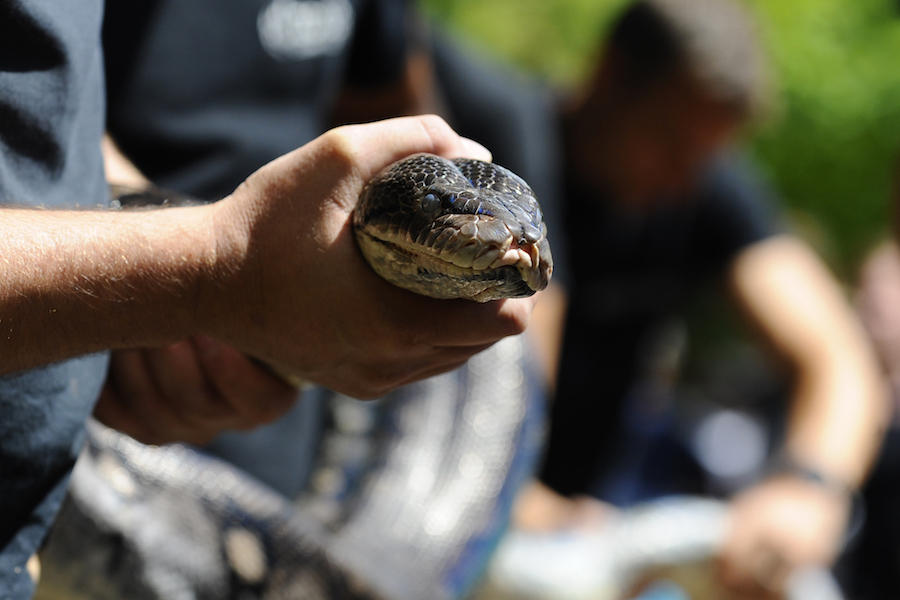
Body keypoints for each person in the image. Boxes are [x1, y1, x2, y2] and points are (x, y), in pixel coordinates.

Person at [0, 3, 536, 599]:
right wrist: (197, 272)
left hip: (260, 436)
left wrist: (155, 236)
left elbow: (46, 120)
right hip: (111, 437)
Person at [527, 0, 887, 596]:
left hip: (592, 524)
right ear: (610, 76)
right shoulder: (509, 141)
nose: (684, 178)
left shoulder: (700, 185)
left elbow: (837, 357)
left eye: (705, 156)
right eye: (669, 142)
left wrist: (808, 486)